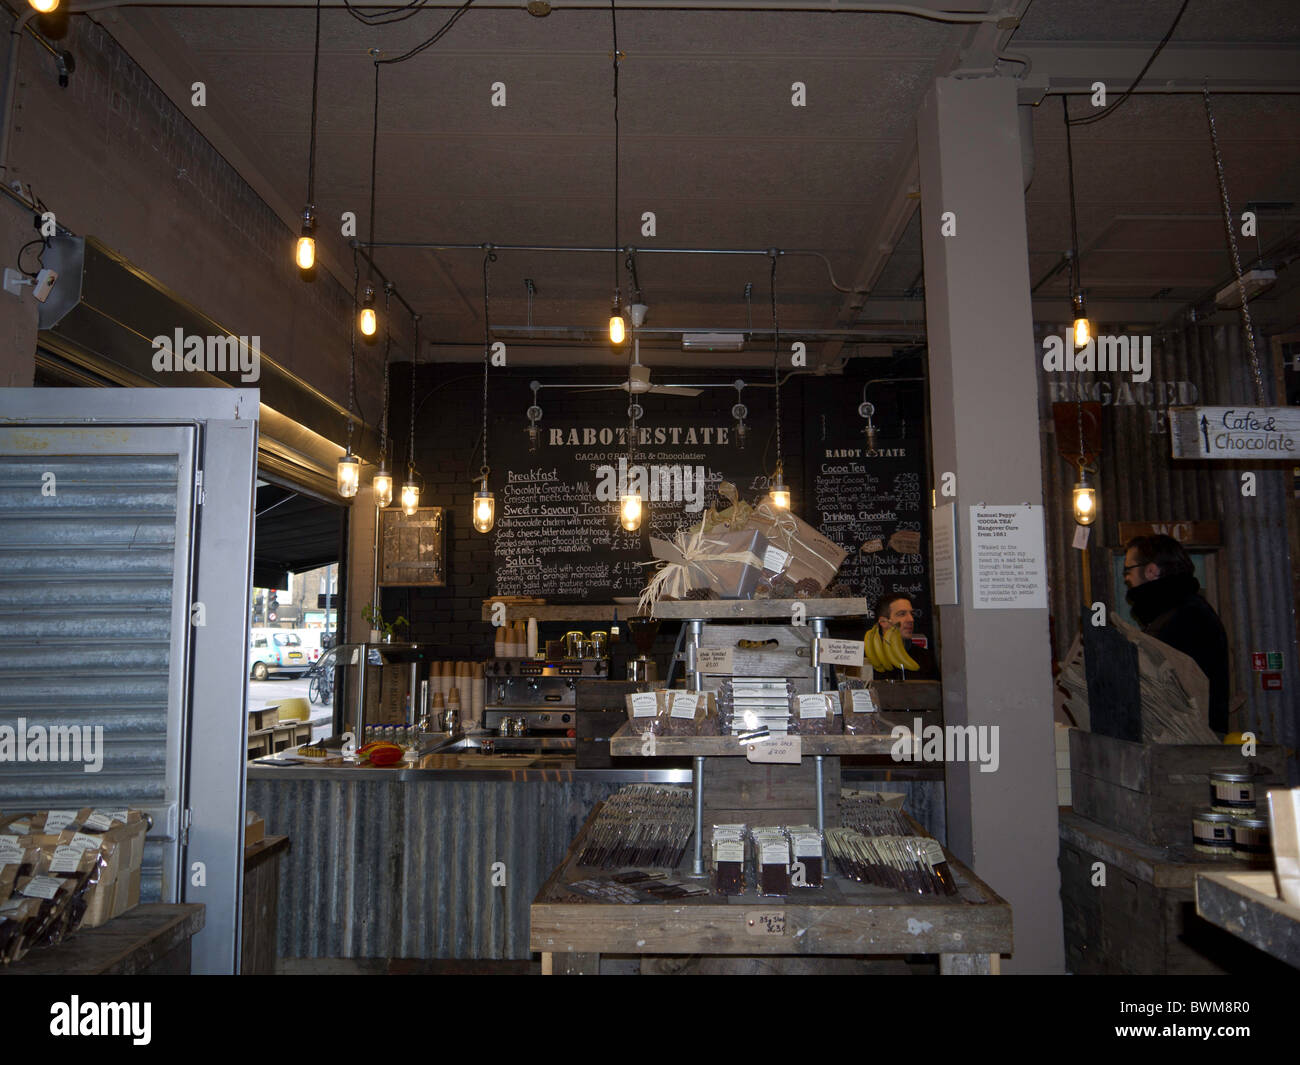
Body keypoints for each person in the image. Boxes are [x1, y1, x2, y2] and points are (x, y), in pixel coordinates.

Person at [1123, 534, 1230, 734]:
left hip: (1189, 745)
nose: (1126, 577)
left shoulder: (1185, 617)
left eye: (1128, 569)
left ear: (1151, 570)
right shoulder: (1179, 611)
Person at [869, 592, 934, 677]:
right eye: (902, 614)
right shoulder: (866, 660)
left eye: (912, 614)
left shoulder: (925, 658)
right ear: (883, 622)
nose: (911, 619)